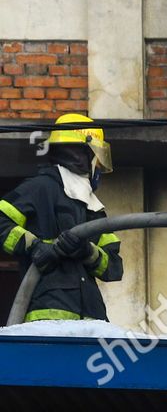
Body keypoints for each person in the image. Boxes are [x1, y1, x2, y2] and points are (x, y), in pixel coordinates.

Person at [0, 113, 123, 323]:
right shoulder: (40, 189)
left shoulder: (93, 207)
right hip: (47, 318)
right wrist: (35, 247)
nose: (97, 165)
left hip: (92, 320)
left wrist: (88, 251)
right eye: (94, 154)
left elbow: (114, 268)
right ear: (79, 154)